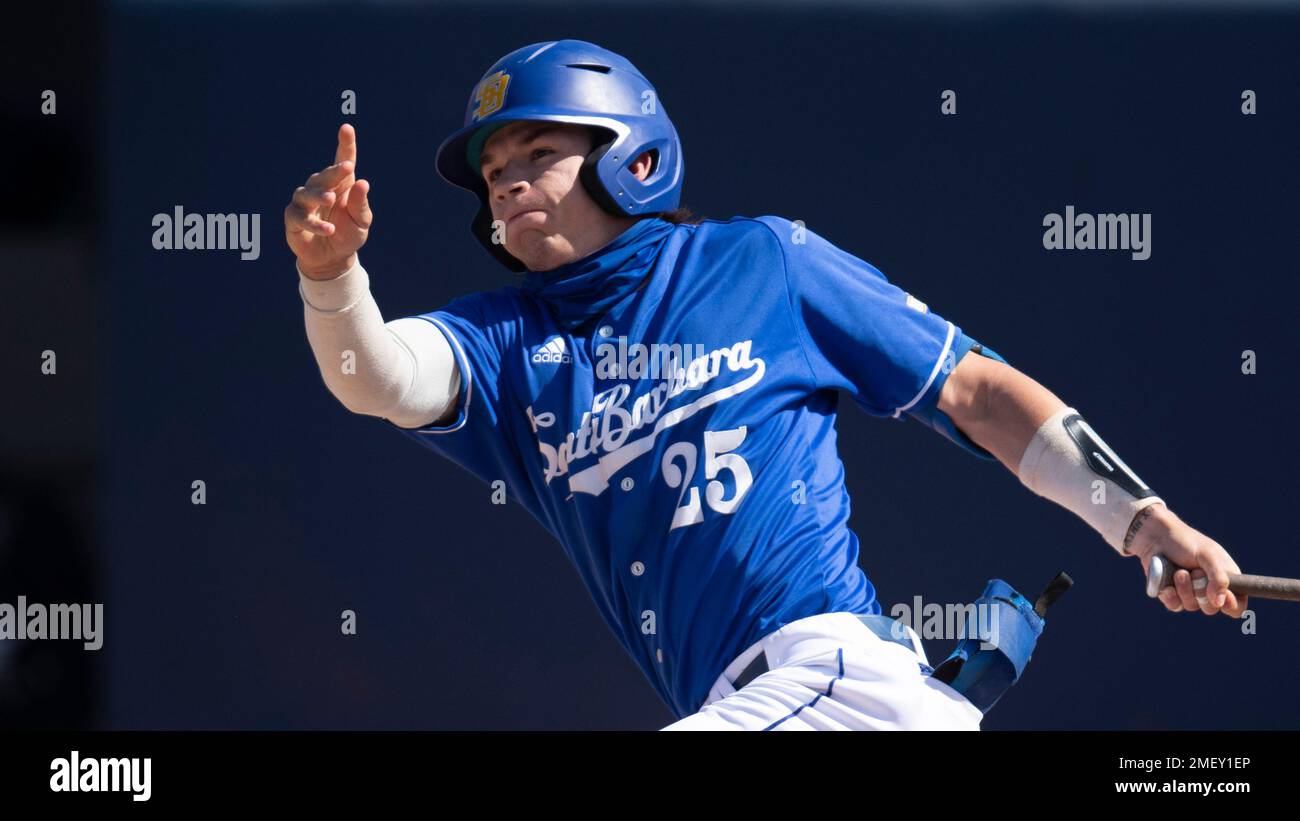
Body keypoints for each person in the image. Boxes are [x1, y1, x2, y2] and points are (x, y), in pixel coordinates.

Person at [284, 40, 1247, 730]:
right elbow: (378, 376)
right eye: (494, 170)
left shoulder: (760, 264)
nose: (508, 181)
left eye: (539, 152)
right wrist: (330, 277)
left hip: (842, 682)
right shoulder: (506, 344)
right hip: (755, 707)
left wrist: (1138, 517)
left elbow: (977, 394)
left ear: (636, 155)